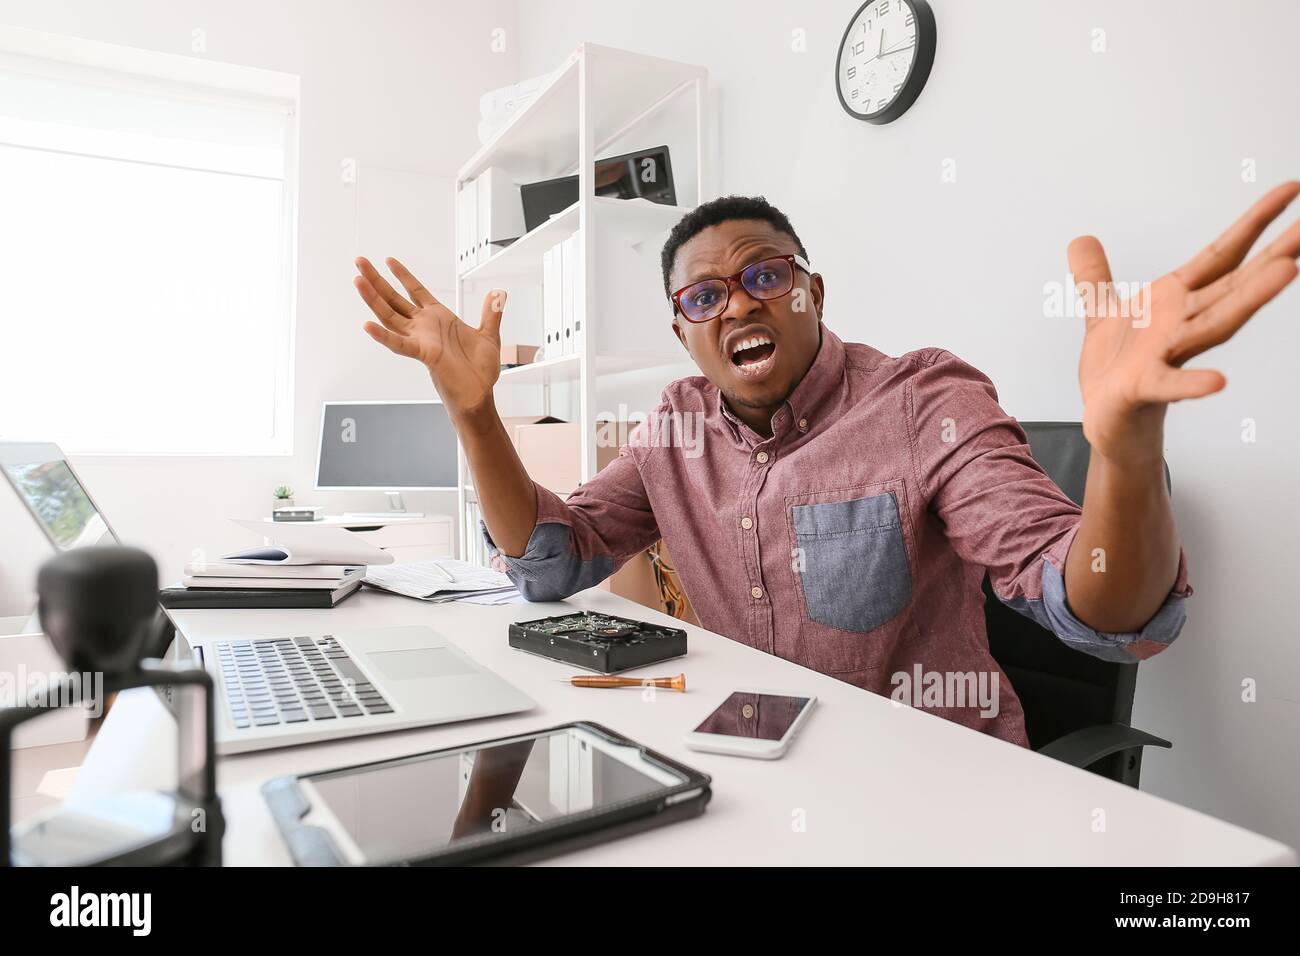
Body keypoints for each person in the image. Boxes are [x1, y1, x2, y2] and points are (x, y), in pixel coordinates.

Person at [353, 184, 1300, 745]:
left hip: (935, 786)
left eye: (765, 275)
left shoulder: (924, 399)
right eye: (705, 296)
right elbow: (554, 562)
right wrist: (474, 414)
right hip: (755, 761)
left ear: (811, 288)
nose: (739, 306)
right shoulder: (676, 427)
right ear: (684, 333)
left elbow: (1100, 611)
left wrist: (1126, 445)